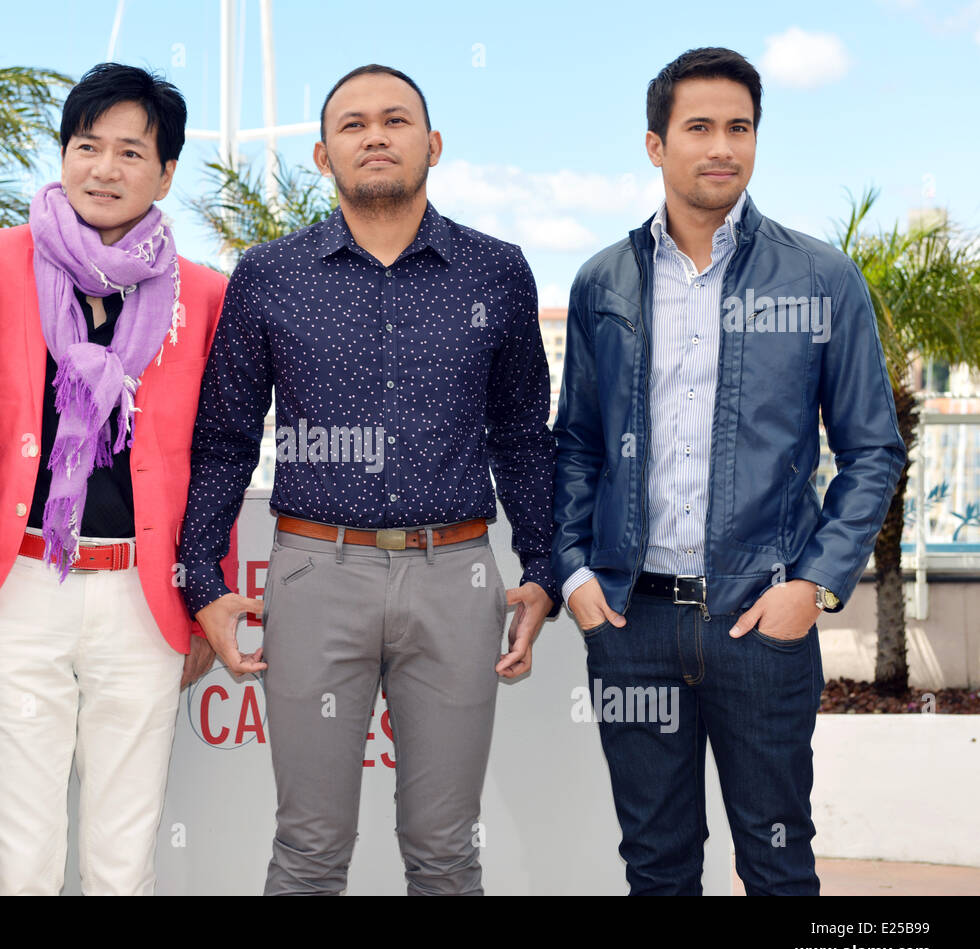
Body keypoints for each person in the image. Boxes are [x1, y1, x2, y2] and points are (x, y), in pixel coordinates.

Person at [179, 64, 561, 896]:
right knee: (309, 848)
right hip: (316, 574)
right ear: (323, 154)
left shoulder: (496, 272)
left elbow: (524, 435)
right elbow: (223, 439)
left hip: (457, 576)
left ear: (433, 143)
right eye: (353, 125)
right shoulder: (270, 275)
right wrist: (200, 579)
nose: (376, 135)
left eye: (395, 120)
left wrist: (541, 571)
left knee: (446, 849)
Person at [552, 47, 906, 895]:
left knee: (779, 867)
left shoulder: (820, 277)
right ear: (655, 144)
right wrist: (572, 576)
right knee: (657, 865)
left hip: (761, 624)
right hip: (631, 624)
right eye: (699, 127)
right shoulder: (604, 282)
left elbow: (871, 450)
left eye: (739, 128)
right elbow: (576, 446)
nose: (722, 147)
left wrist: (813, 585)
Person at [0, 63, 234, 896]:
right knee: (20, 846)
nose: (104, 168)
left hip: (141, 598)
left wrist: (200, 591)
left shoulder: (207, 294)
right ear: (64, 153)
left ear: (166, 171)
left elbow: (221, 456)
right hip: (16, 584)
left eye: (130, 151)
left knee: (124, 848)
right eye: (87, 146)